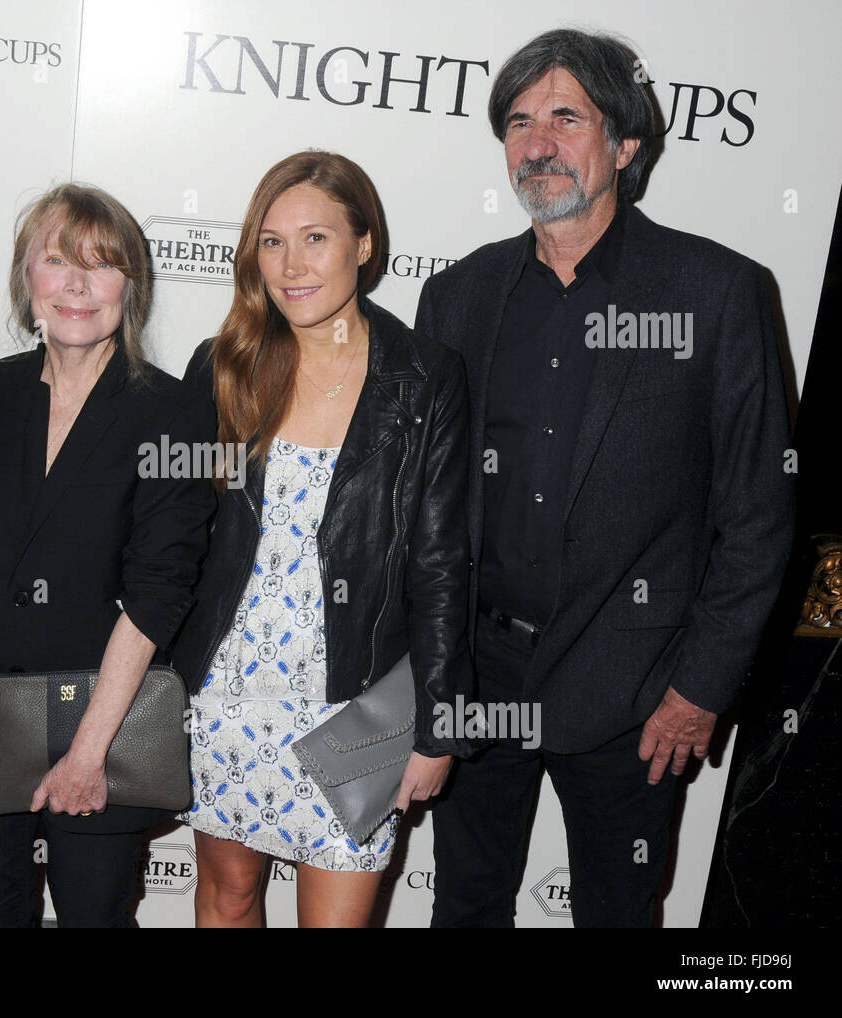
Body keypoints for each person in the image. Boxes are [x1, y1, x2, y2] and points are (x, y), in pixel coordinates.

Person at [416, 29, 794, 927]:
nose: (536, 142)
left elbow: (759, 514)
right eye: (517, 122)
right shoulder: (457, 299)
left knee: (619, 912)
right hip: (480, 679)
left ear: (625, 146)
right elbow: (425, 506)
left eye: (564, 118)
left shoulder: (717, 293)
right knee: (465, 904)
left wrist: (701, 688)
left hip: (638, 692)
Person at [172, 151, 474, 927]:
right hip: (228, 692)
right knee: (229, 898)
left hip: (358, 699)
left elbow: (442, 564)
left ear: (364, 245)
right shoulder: (225, 366)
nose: (291, 265)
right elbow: (174, 539)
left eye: (315, 238)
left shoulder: (424, 377)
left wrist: (439, 724)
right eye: (271, 242)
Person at [0, 183, 216, 928]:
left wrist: (88, 752)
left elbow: (159, 591)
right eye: (57, 261)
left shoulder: (176, 412)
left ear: (131, 287)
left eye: (101, 264)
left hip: (102, 729)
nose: (77, 284)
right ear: (28, 280)